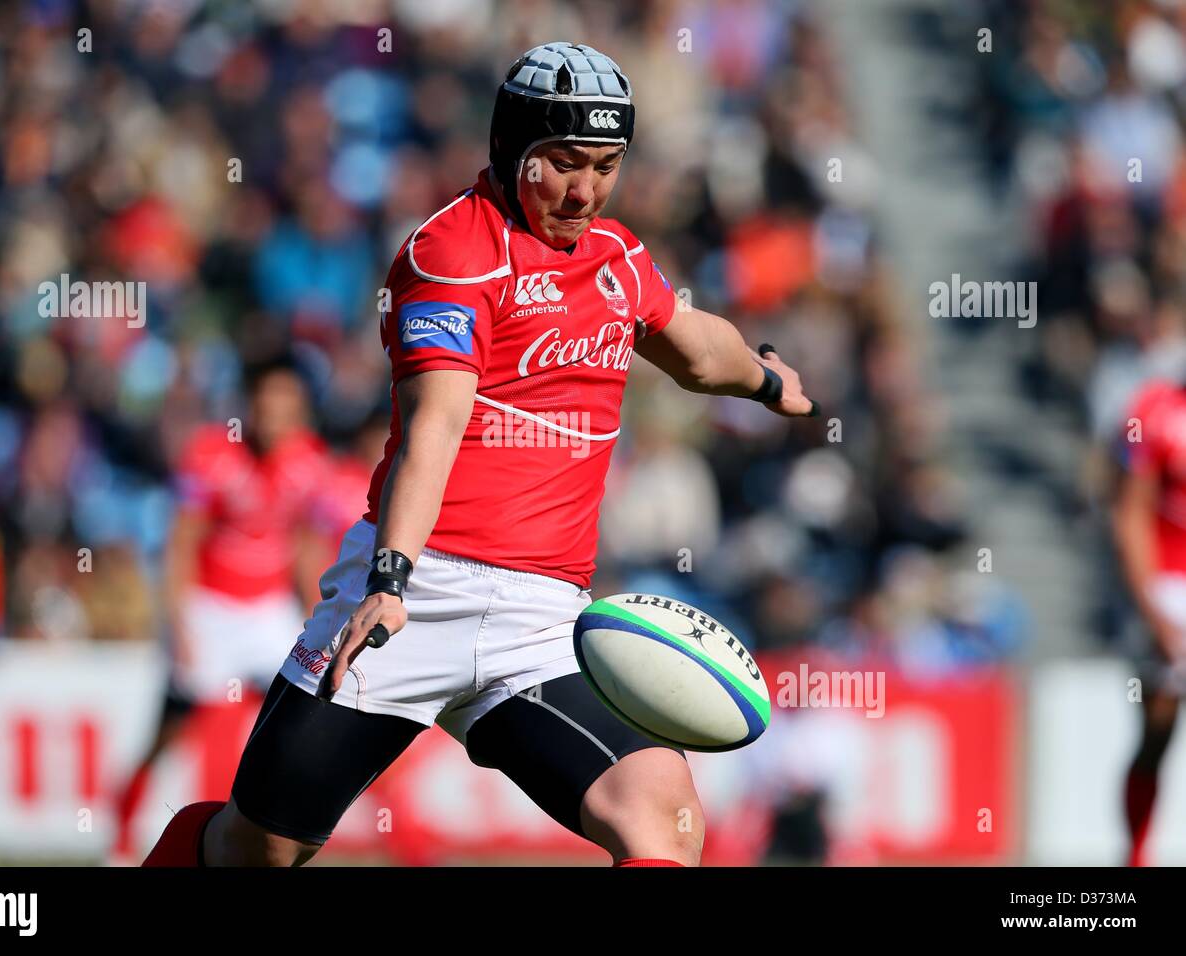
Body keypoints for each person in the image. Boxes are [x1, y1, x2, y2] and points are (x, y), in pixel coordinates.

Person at [143, 41, 817, 868]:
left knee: (664, 819)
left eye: (606, 166)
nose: (585, 190)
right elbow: (437, 423)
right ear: (510, 148)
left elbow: (695, 348)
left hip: (541, 624)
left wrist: (763, 378)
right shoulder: (450, 255)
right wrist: (389, 580)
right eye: (563, 163)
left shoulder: (616, 257)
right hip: (415, 595)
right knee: (256, 851)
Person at [110, 357, 330, 862]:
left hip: (268, 610)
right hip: (211, 608)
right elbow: (181, 541)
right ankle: (124, 824)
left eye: (286, 402)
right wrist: (179, 620)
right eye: (266, 399)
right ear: (249, 403)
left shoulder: (309, 461)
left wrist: (318, 616)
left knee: (306, 715)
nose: (274, 412)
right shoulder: (212, 454)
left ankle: (266, 835)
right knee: (171, 731)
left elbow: (306, 545)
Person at [1112, 377, 1186, 866]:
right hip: (1170, 587)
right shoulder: (1155, 408)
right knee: (1158, 728)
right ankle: (1137, 854)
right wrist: (1152, 609)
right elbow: (1130, 513)